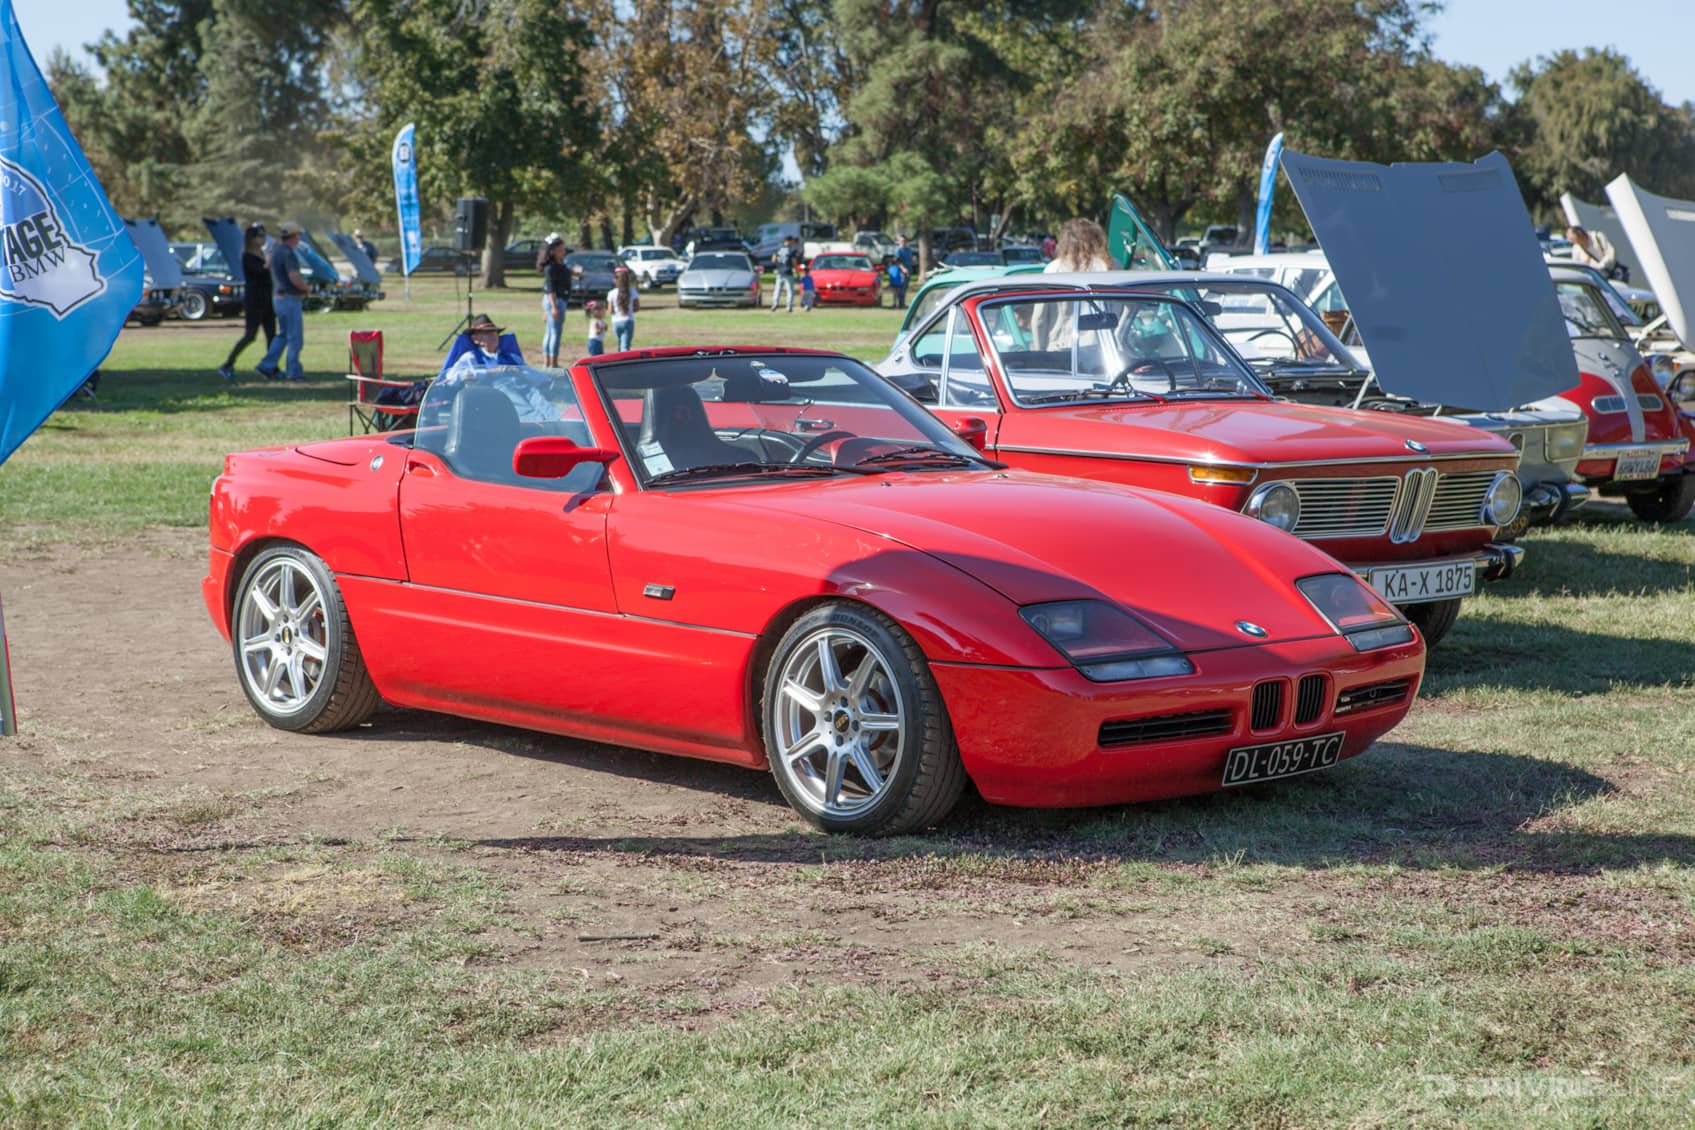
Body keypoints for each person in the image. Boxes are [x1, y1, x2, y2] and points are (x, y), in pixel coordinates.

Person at [217, 223, 274, 381]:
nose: (263, 239)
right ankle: (228, 364)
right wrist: (270, 259)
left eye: (264, 235)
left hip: (267, 299)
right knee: (250, 335)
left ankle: (270, 366)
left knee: (271, 335)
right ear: (252, 238)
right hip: (254, 301)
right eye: (260, 236)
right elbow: (261, 272)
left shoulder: (261, 254)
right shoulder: (247, 256)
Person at [255, 221, 308, 381]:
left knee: (283, 335)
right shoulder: (288, 253)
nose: (299, 238)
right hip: (290, 298)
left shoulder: (276, 250)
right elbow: (294, 276)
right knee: (294, 338)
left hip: (278, 298)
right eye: (298, 235)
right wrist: (305, 288)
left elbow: (267, 266)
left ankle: (266, 366)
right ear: (294, 236)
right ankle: (293, 372)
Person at [539, 235, 569, 366]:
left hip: (554, 301)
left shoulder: (560, 265)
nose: (563, 252)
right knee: (555, 333)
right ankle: (552, 363)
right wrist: (554, 307)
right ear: (552, 251)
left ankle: (548, 362)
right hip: (555, 300)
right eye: (560, 250)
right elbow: (551, 288)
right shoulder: (550, 267)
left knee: (550, 331)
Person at [607, 267, 639, 351]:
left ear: (615, 280)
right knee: (625, 346)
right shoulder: (633, 291)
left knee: (620, 343)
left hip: (616, 322)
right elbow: (637, 308)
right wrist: (629, 310)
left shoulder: (611, 293)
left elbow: (610, 310)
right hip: (628, 321)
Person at [770, 234, 799, 312]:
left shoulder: (779, 249)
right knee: (790, 290)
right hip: (788, 272)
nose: (793, 242)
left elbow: (773, 260)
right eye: (792, 241)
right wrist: (797, 272)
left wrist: (779, 265)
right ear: (789, 241)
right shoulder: (791, 250)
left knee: (777, 289)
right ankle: (789, 307)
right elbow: (794, 262)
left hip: (780, 272)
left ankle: (774, 304)